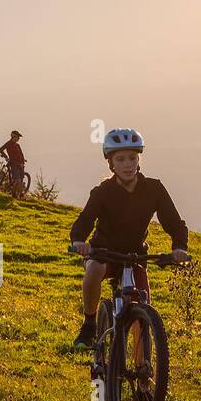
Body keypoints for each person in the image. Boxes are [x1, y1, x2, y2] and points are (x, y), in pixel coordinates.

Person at [69, 128, 189, 348]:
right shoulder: (103, 191)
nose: (127, 164)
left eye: (132, 158)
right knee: (94, 270)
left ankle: (144, 372)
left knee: (144, 307)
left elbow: (174, 223)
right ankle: (89, 324)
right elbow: (84, 221)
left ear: (139, 160)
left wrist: (179, 247)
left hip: (135, 257)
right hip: (103, 253)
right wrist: (79, 242)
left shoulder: (154, 189)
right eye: (120, 159)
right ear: (111, 164)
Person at [0, 130, 26, 197]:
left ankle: (20, 194)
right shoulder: (8, 143)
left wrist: (23, 161)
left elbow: (21, 154)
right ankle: (13, 195)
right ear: (13, 136)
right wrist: (6, 157)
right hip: (13, 163)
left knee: (21, 179)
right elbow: (0, 150)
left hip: (20, 164)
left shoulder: (17, 145)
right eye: (18, 137)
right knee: (17, 180)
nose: (18, 138)